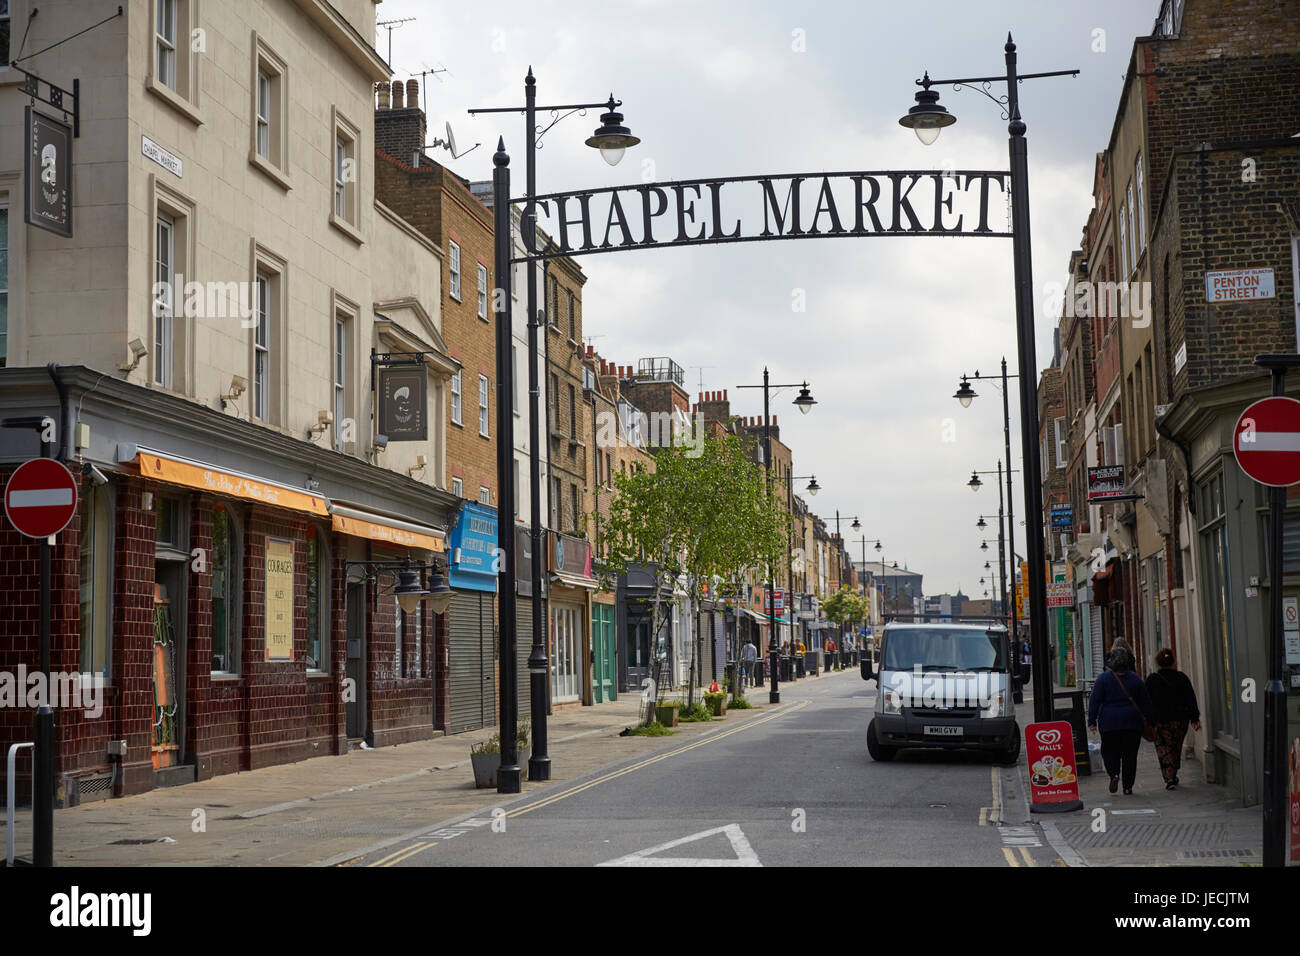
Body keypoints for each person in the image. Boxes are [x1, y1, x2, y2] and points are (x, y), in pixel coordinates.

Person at [1087, 642, 1155, 795]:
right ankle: (1128, 786)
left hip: (1109, 722)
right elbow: (1146, 702)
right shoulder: (1136, 679)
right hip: (1131, 722)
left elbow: (1095, 700)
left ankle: (1114, 774)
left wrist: (1091, 721)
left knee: (1109, 751)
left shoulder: (1103, 679)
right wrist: (1151, 721)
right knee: (1130, 755)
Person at [1145, 647, 1201, 790]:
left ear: (1158, 662)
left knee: (1164, 748)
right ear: (1173, 661)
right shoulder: (1182, 678)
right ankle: (1173, 772)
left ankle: (1169, 777)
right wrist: (1195, 718)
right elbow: (1190, 698)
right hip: (1180, 720)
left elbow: (1146, 700)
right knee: (1176, 747)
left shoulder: (1152, 679)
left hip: (1160, 721)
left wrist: (1148, 718)